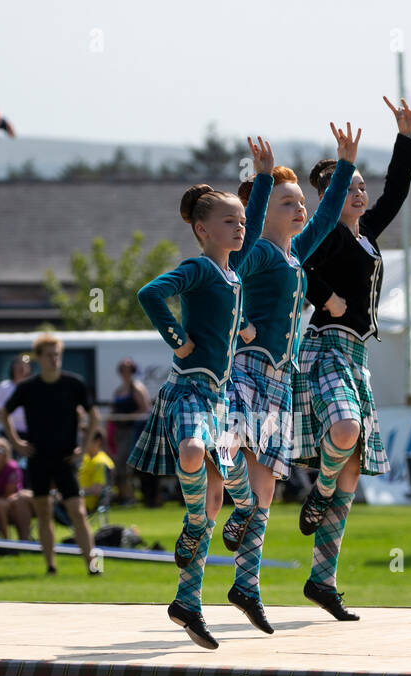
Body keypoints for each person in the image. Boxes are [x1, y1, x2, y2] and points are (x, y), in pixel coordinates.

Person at [129, 136, 275, 648]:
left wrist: (261, 179)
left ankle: (187, 604)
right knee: (193, 454)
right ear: (201, 229)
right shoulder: (198, 269)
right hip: (191, 389)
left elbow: (255, 226)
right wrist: (178, 338)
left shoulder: (233, 271)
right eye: (229, 222)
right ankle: (194, 527)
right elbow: (150, 294)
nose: (240, 229)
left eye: (240, 222)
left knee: (240, 493)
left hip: (223, 399)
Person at [227, 121, 359, 634]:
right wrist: (262, 180)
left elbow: (327, 218)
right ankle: (235, 512)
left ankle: (247, 586)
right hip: (246, 370)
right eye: (288, 203)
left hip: (281, 379)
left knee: (265, 492)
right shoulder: (256, 251)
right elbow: (249, 237)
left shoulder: (296, 253)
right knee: (227, 445)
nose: (299, 207)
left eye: (298, 201)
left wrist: (345, 164)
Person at [295, 97, 411, 623]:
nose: (361, 195)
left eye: (361, 188)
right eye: (350, 189)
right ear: (326, 199)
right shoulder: (320, 236)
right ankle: (316, 492)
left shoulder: (366, 233)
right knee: (344, 431)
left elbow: (397, 190)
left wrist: (405, 134)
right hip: (324, 345)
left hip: (355, 355)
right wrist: (323, 295)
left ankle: (322, 580)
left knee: (351, 469)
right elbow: (293, 266)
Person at [1, 332, 102, 577]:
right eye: (49, 356)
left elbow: (94, 416)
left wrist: (83, 447)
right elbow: (4, 413)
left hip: (66, 458)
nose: (54, 360)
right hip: (38, 457)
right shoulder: (27, 387)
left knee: (77, 512)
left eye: (57, 355)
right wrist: (16, 442)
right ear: (39, 358)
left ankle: (92, 565)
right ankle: (51, 565)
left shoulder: (74, 384)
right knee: (44, 511)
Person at [110, 358, 151, 505]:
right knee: (118, 463)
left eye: (128, 369)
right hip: (119, 431)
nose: (125, 372)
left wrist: (128, 417)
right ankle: (123, 495)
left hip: (132, 431)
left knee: (126, 463)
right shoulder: (119, 389)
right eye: (122, 369)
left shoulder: (137, 388)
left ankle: (130, 496)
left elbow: (145, 409)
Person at [0, 354, 31, 441]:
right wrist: (8, 416)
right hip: (7, 434)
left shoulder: (33, 387)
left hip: (29, 434)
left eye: (25, 365)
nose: (22, 368)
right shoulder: (4, 387)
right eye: (19, 365)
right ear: (13, 368)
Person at [77, 430, 115, 514]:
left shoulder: (101, 462)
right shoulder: (85, 458)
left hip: (85, 504)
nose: (83, 443)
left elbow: (97, 489)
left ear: (97, 442)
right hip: (77, 499)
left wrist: (74, 492)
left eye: (86, 440)